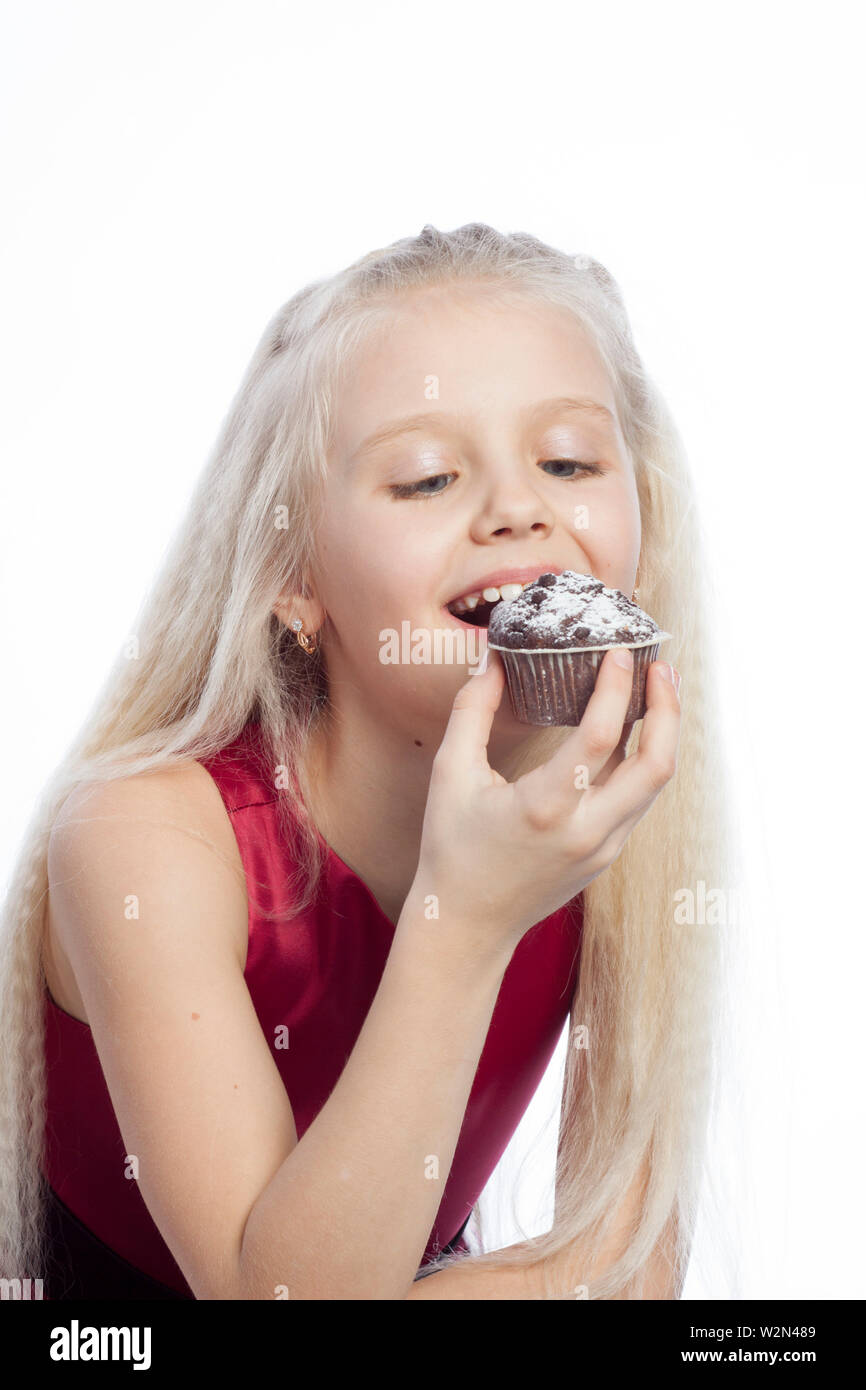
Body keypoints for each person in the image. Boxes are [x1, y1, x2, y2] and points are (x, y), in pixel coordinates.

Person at [0, 223, 737, 1300]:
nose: (517, 507)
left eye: (568, 460)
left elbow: (621, 1274)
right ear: (293, 577)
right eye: (428, 478)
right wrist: (466, 916)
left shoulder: (605, 809)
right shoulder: (139, 839)